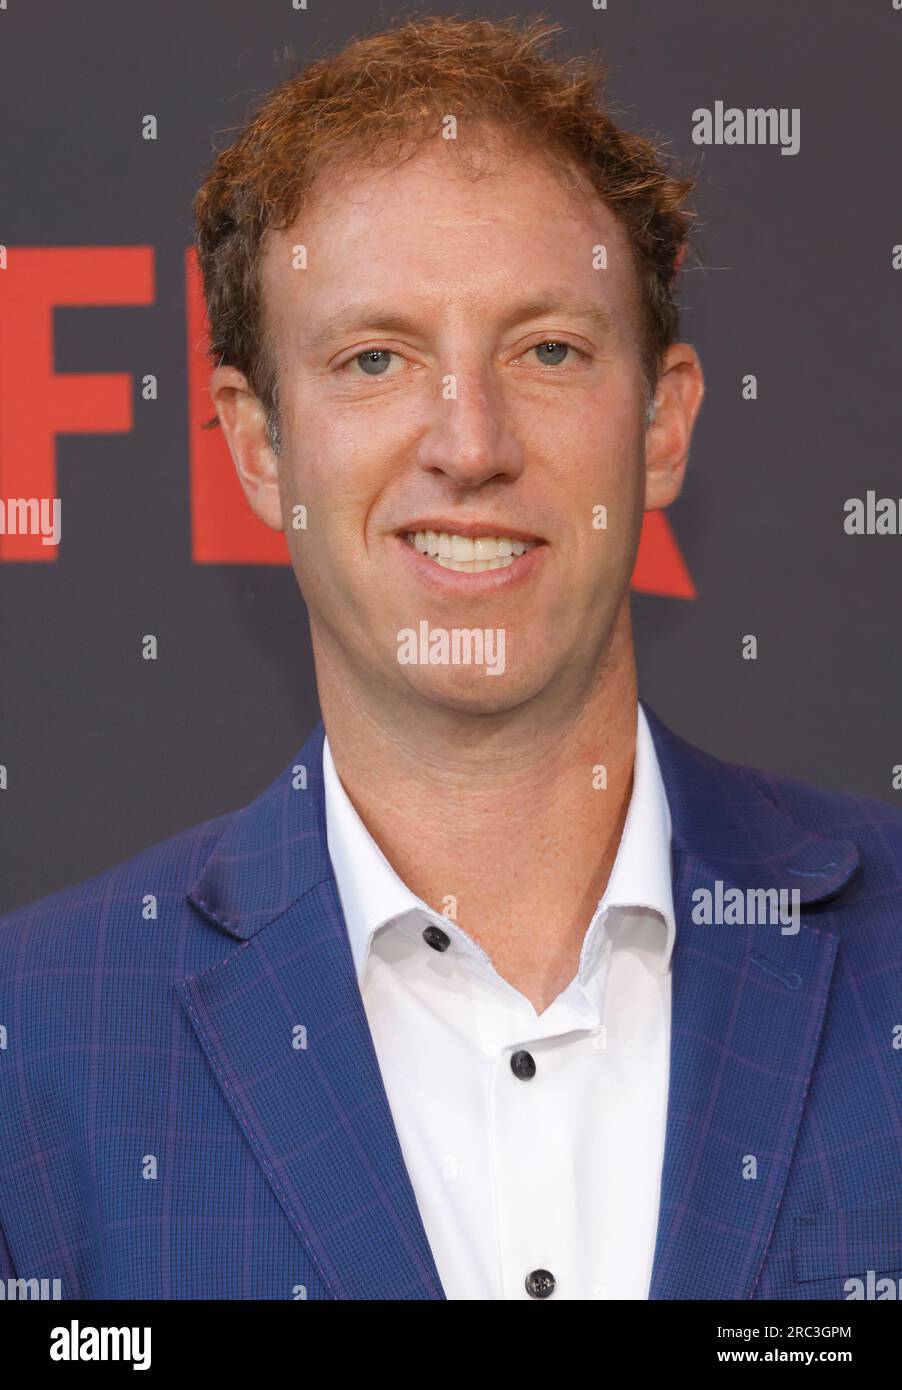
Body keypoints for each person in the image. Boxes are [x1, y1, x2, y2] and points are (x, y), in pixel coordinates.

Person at [1, 15, 900, 1302]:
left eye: (546, 349)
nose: (467, 441)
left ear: (661, 422)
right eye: (377, 358)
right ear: (257, 448)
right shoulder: (35, 1051)